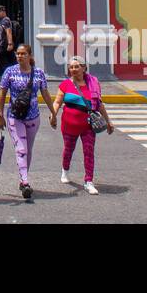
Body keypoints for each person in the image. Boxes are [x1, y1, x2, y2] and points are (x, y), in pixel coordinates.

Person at [0, 43, 56, 200]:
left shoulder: (39, 73)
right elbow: (2, 94)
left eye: (23, 54)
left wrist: (53, 112)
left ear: (30, 55)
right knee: (21, 149)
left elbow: (45, 94)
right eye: (18, 53)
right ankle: (26, 181)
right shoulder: (10, 72)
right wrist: (0, 113)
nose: (20, 56)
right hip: (15, 116)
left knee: (28, 149)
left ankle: (23, 178)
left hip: (33, 117)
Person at [52, 55, 113, 195]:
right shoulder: (65, 84)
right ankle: (65, 170)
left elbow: (99, 104)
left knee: (89, 152)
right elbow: (57, 102)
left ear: (84, 68)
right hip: (69, 124)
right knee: (68, 149)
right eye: (71, 67)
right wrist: (53, 114)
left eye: (77, 66)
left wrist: (108, 121)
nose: (73, 69)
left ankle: (88, 181)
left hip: (88, 125)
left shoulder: (93, 83)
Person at [0, 6, 16, 77]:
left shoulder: (5, 20)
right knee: (12, 62)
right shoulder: (3, 20)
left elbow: (8, 32)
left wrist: (10, 43)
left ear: (4, 12)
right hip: (3, 45)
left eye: (0, 12)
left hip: (4, 46)